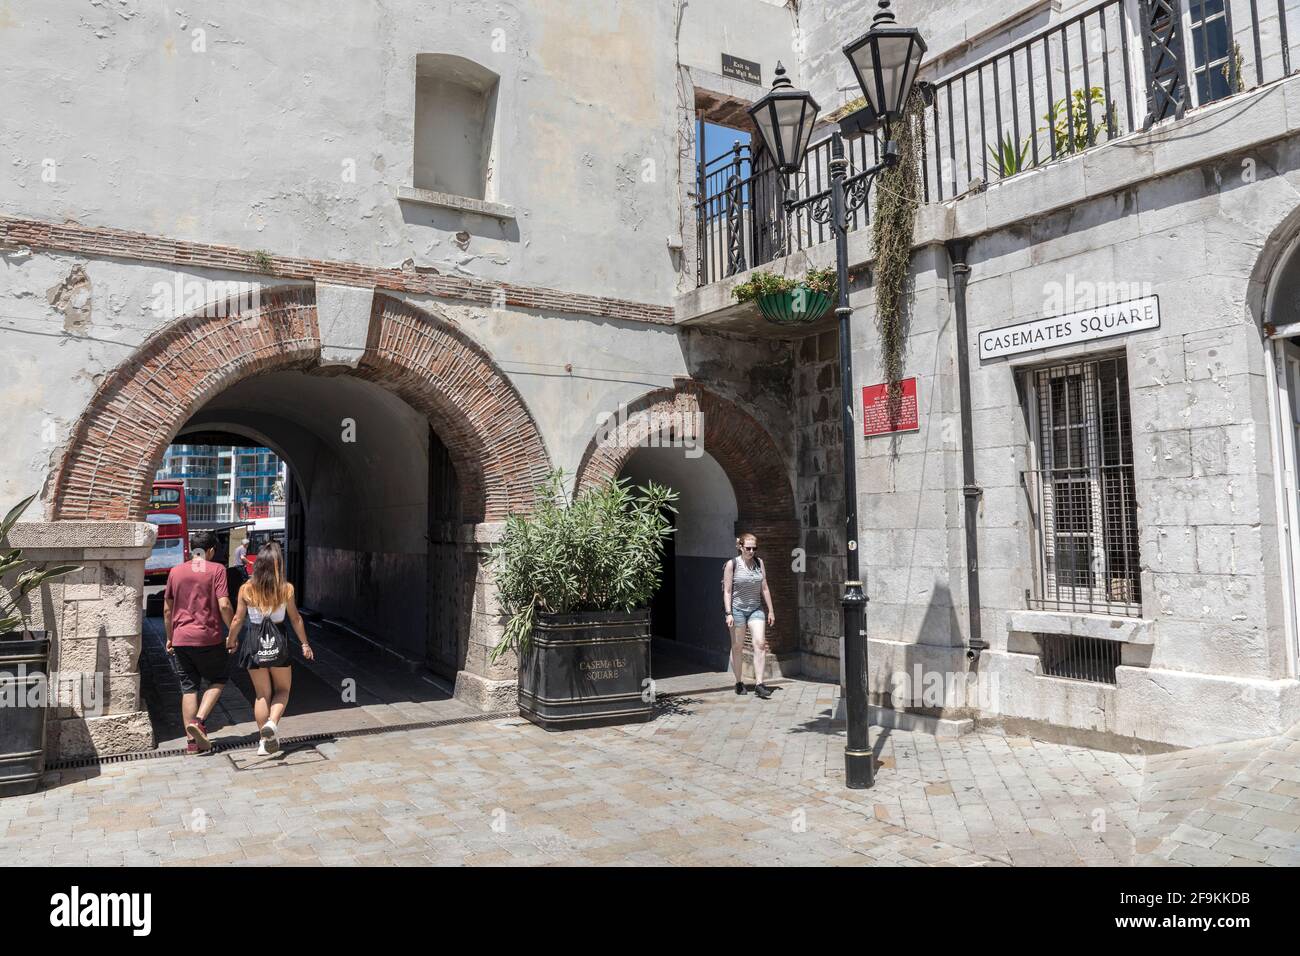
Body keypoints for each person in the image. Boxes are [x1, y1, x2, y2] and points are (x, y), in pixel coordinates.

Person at [226, 541, 314, 755]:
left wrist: (231, 639)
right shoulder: (286, 589)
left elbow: (237, 618)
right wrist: (305, 643)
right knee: (283, 690)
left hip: (254, 641)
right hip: (278, 641)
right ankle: (272, 724)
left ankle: (263, 743)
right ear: (278, 565)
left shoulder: (246, 588)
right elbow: (295, 618)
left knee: (261, 694)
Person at [163, 530, 234, 753]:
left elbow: (167, 609)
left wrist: (170, 637)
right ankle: (199, 721)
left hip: (182, 638)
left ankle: (192, 743)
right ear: (211, 550)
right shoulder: (217, 570)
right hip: (208, 637)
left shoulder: (175, 571)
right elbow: (224, 605)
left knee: (188, 688)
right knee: (219, 678)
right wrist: (233, 631)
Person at [722, 532, 776, 700]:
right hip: (737, 610)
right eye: (748, 548)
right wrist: (729, 613)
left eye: (754, 548)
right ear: (740, 547)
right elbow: (728, 591)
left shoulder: (759, 563)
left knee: (760, 644)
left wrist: (771, 610)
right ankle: (739, 681)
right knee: (737, 646)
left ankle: (759, 684)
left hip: (755, 609)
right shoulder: (732, 565)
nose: (751, 551)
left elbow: (765, 587)